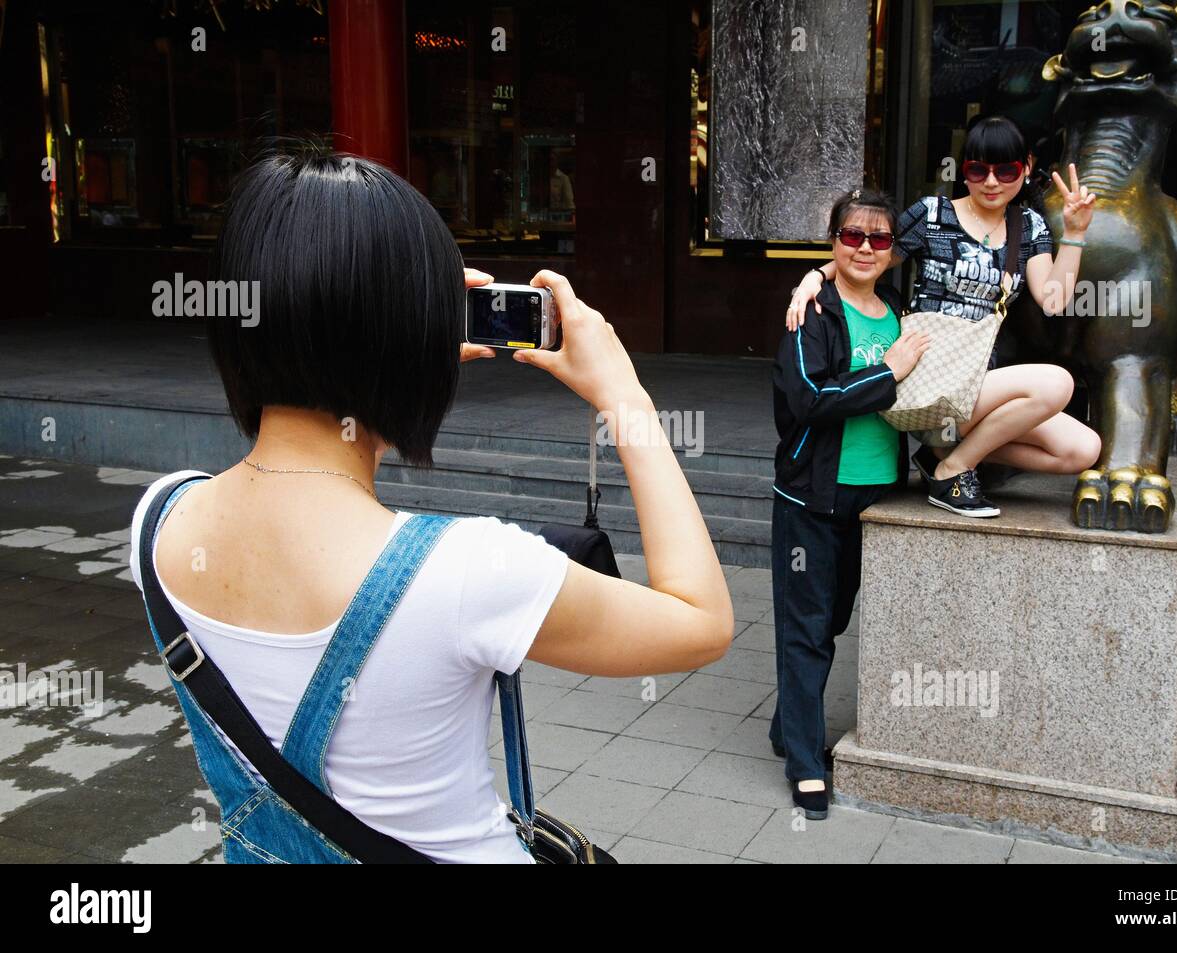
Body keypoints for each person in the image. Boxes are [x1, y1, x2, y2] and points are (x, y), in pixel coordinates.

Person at [128, 148, 733, 863]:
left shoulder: (160, 519)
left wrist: (394, 354)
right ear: (407, 345)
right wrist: (624, 397)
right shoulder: (470, 571)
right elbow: (702, 621)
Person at [786, 116, 1101, 517]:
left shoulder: (1029, 226)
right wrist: (817, 276)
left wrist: (1075, 232)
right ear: (963, 169)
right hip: (927, 379)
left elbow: (1053, 300)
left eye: (1006, 170)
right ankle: (955, 468)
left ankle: (945, 455)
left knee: (1082, 450)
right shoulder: (931, 214)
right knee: (1057, 383)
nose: (991, 182)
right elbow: (870, 254)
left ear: (1025, 168)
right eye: (977, 169)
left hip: (977, 387)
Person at [771, 188, 929, 818]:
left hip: (877, 497)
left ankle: (790, 724)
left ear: (895, 250)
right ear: (832, 239)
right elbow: (808, 396)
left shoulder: (897, 309)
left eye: (880, 238)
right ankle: (806, 763)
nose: (864, 247)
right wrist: (888, 370)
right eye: (851, 236)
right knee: (807, 631)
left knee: (832, 621)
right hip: (812, 497)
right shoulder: (812, 311)